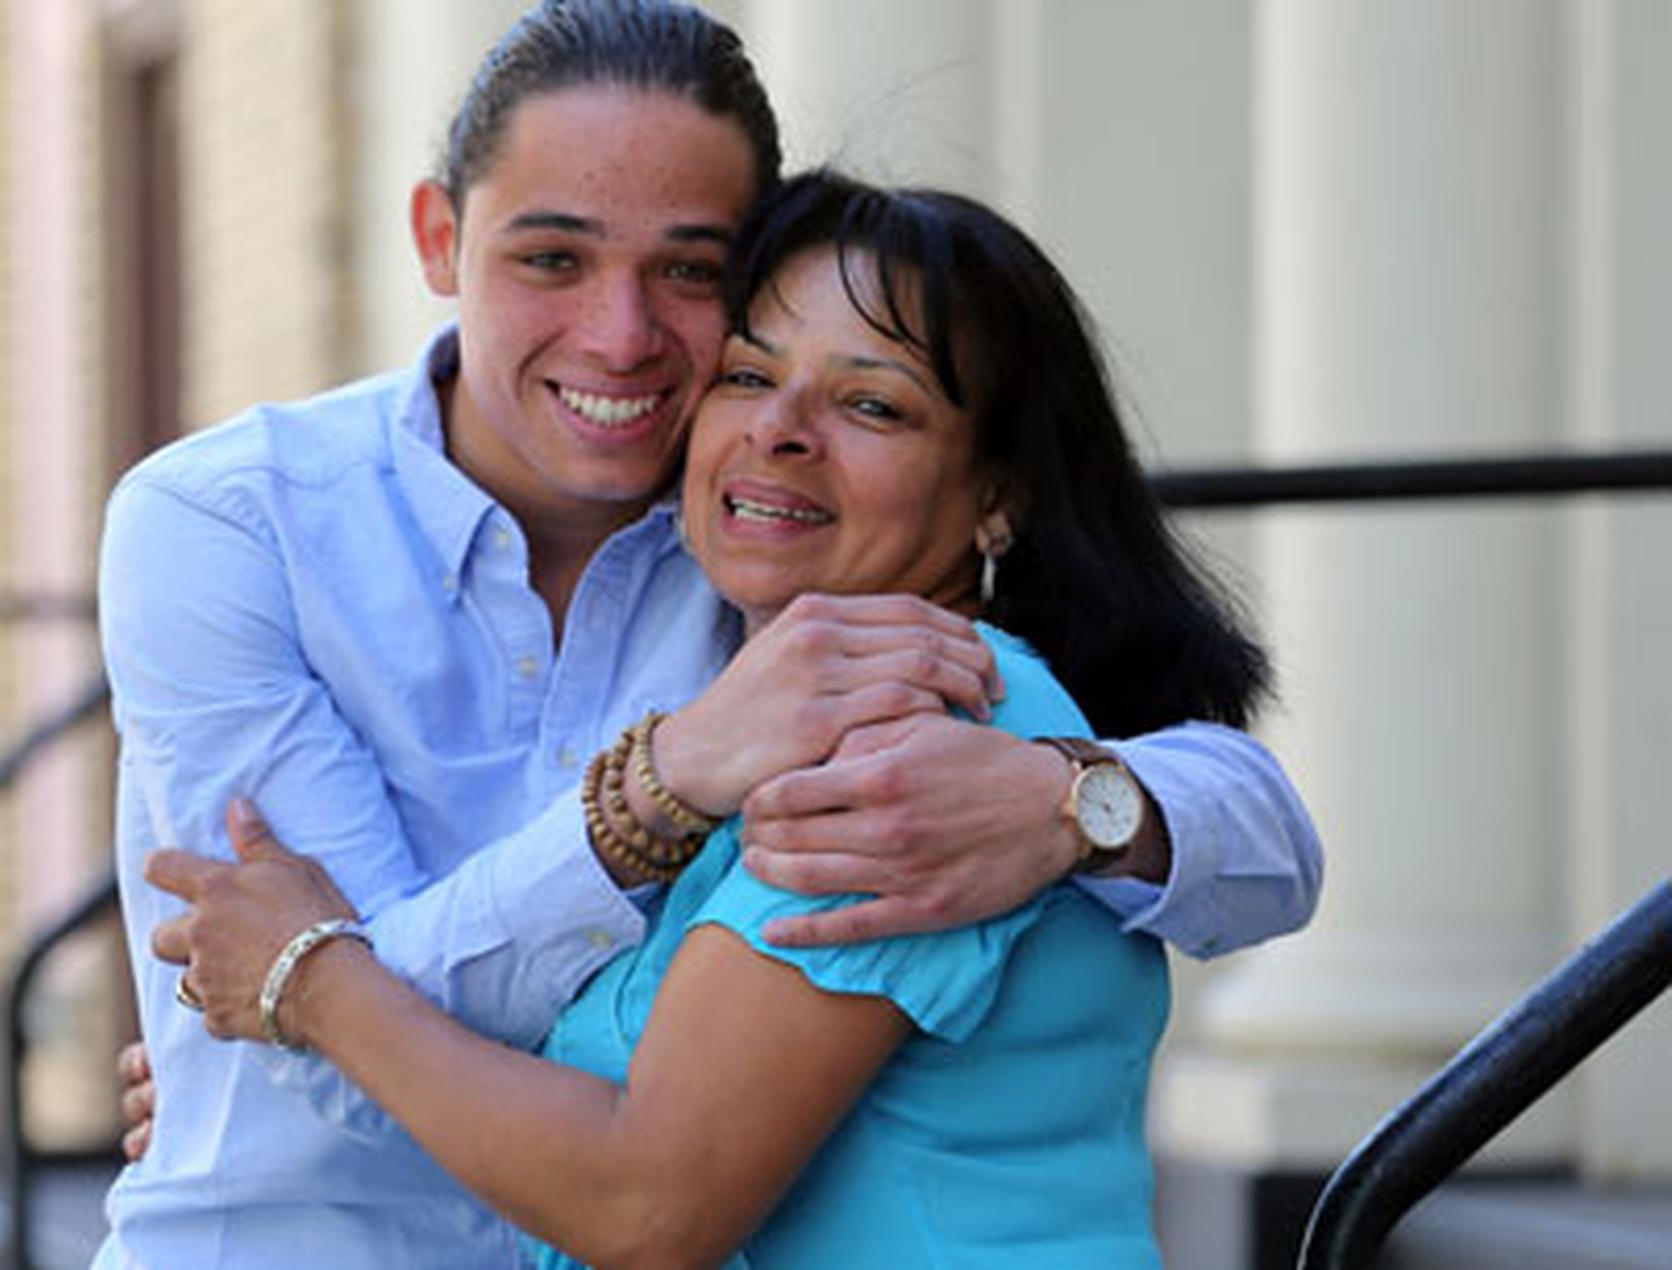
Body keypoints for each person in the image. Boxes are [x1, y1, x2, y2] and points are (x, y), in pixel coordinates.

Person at [97, 2, 1318, 1266]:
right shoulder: (234, 525)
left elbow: (1268, 844)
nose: (621, 336)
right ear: (437, 238)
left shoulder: (794, 575)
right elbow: (342, 1083)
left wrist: (1073, 801)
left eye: (687, 273)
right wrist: (664, 777)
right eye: (552, 260)